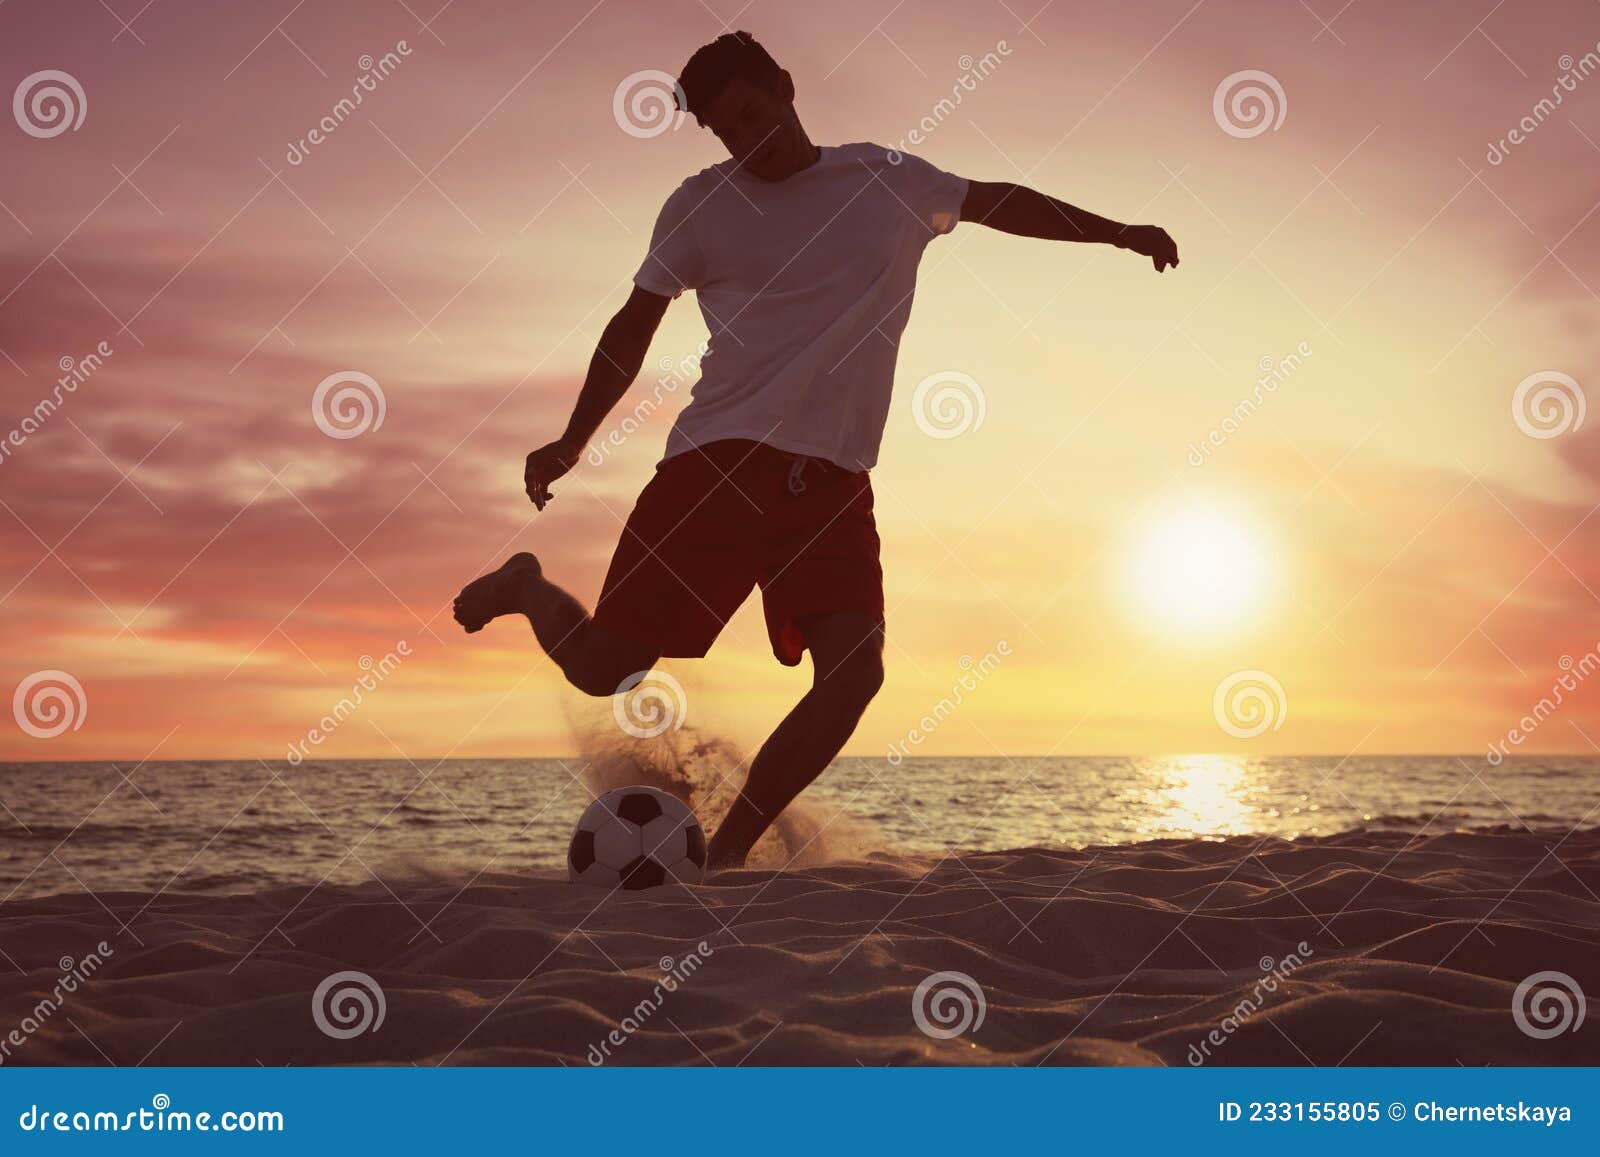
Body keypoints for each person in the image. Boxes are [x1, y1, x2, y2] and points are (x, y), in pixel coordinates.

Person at [453, 31, 1178, 869]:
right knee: (605, 672)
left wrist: (1117, 231)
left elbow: (999, 200)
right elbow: (633, 323)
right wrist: (575, 437)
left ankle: (724, 857)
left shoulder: (886, 181)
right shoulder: (698, 206)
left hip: (833, 480)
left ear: (789, 88)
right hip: (716, 464)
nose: (745, 140)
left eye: (755, 114)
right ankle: (528, 585)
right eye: (726, 130)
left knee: (855, 674)